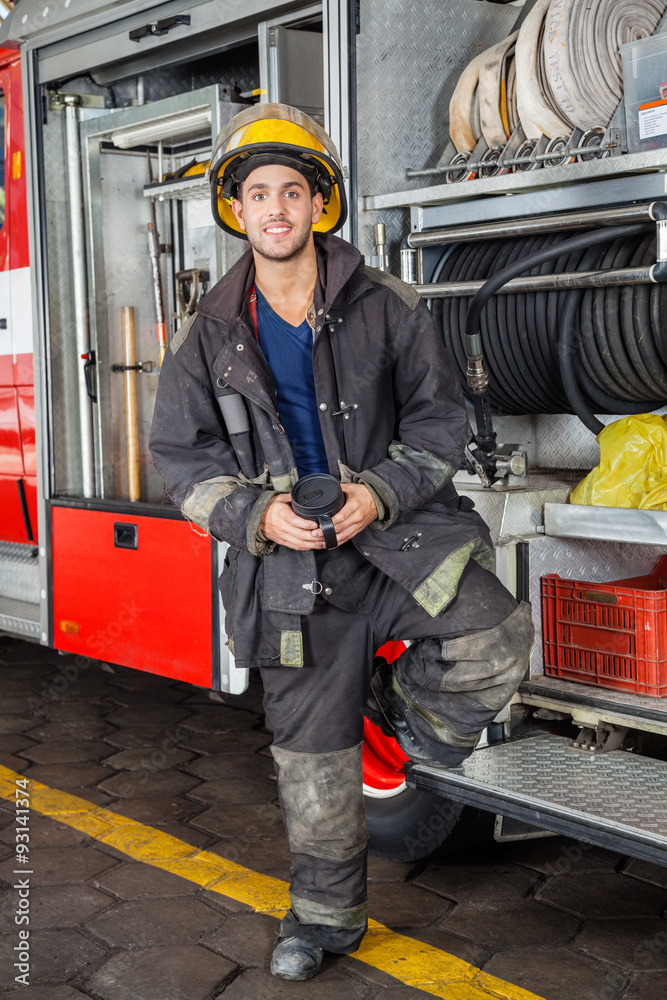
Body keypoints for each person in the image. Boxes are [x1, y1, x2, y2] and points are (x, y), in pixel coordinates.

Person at [149, 103, 533, 982]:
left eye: (293, 190)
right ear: (235, 211)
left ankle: (397, 715)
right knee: (314, 764)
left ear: (320, 204)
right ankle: (324, 923)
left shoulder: (385, 304)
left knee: (496, 637)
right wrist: (253, 518)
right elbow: (179, 456)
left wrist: (380, 492)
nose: (275, 208)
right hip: (289, 572)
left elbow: (440, 421)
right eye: (256, 193)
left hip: (393, 543)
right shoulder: (206, 333)